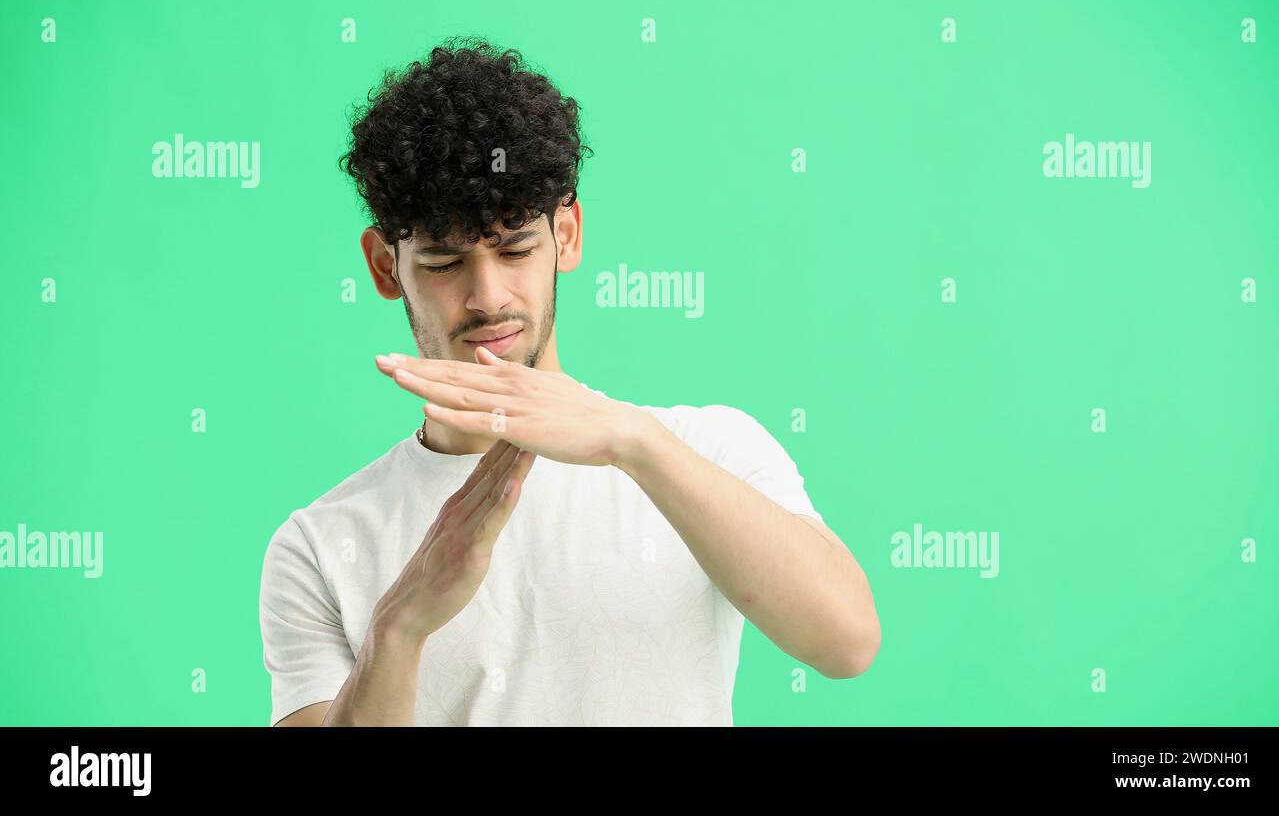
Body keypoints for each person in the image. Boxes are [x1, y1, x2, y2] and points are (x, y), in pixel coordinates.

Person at [259, 36, 881, 726]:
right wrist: (399, 629)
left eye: (516, 248)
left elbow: (846, 642)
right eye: (443, 263)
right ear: (384, 266)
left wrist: (633, 441)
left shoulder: (705, 447)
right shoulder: (319, 545)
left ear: (569, 234)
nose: (487, 297)